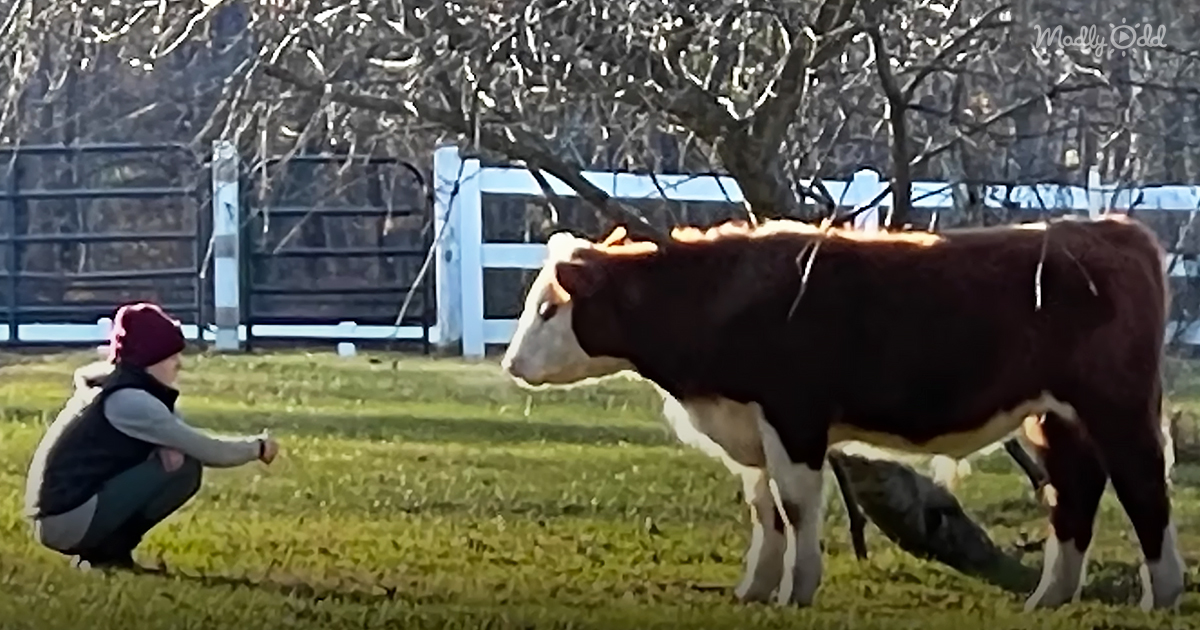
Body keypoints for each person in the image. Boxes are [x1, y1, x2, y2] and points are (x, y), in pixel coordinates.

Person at [23, 301, 281, 572]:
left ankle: (105, 555)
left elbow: (173, 430)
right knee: (186, 469)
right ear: (149, 359)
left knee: (178, 461)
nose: (178, 364)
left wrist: (163, 443)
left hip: (59, 515)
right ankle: (108, 553)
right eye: (171, 356)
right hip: (65, 520)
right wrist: (258, 448)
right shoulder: (131, 400)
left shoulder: (119, 386)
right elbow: (206, 450)